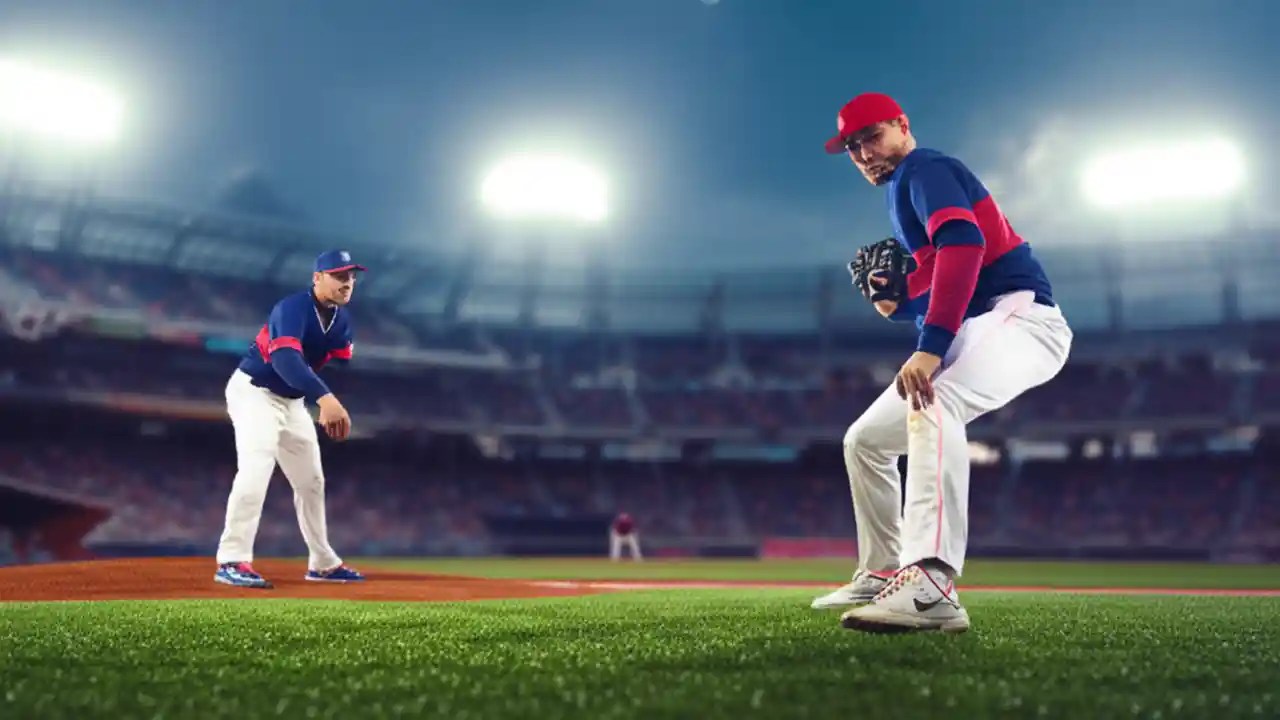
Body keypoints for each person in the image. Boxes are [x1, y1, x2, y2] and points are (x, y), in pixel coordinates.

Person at [809, 93, 1073, 633]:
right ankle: (883, 571)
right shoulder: (906, 193)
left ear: (903, 126)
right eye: (853, 146)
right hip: (985, 322)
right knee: (865, 441)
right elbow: (942, 282)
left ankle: (931, 584)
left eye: (872, 136)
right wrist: (895, 302)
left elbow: (964, 248)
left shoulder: (923, 168)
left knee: (935, 399)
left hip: (1024, 319)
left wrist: (929, 348)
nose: (863, 153)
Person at [213, 250, 368, 588]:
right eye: (339, 275)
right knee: (257, 466)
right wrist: (325, 398)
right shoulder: (292, 308)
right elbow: (286, 359)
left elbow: (343, 365)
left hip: (293, 402)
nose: (348, 283)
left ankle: (323, 563)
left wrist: (337, 405)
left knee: (311, 481)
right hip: (254, 392)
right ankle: (232, 559)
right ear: (317, 278)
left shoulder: (341, 321)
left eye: (352, 277)